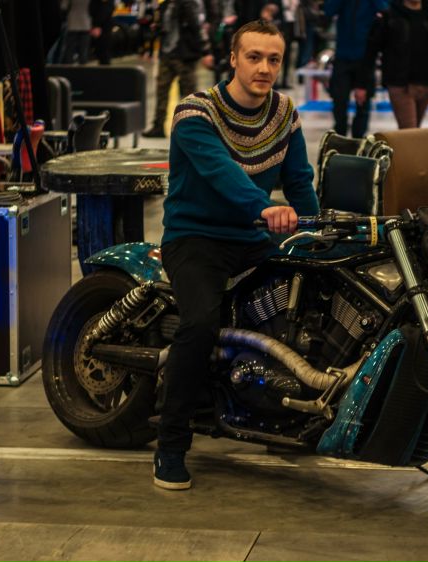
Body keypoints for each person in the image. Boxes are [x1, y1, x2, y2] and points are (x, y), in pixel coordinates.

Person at [153, 19, 320, 490]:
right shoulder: (195, 111)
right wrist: (264, 207)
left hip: (252, 235)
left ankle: (283, 415)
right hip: (195, 237)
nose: (264, 68)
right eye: (254, 57)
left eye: (273, 59)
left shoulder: (284, 113)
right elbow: (221, 172)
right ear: (233, 59)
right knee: (199, 324)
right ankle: (171, 443)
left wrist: (315, 231)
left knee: (307, 303)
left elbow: (300, 180)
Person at [355, 0, 428, 130]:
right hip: (400, 84)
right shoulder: (389, 16)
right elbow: (371, 51)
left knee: (415, 131)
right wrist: (362, 84)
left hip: (426, 83)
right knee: (409, 130)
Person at [143, 0, 219, 138]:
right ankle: (158, 126)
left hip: (185, 55)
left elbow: (197, 27)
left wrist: (206, 51)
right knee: (161, 91)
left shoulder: (189, 3)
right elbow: (160, 27)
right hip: (167, 54)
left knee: (188, 95)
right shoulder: (165, 4)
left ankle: (189, 128)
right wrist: (150, 49)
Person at [324, 0, 388, 138]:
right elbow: (329, 10)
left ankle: (358, 140)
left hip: (366, 56)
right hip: (342, 56)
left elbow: (384, 8)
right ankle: (340, 135)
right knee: (339, 100)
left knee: (363, 103)